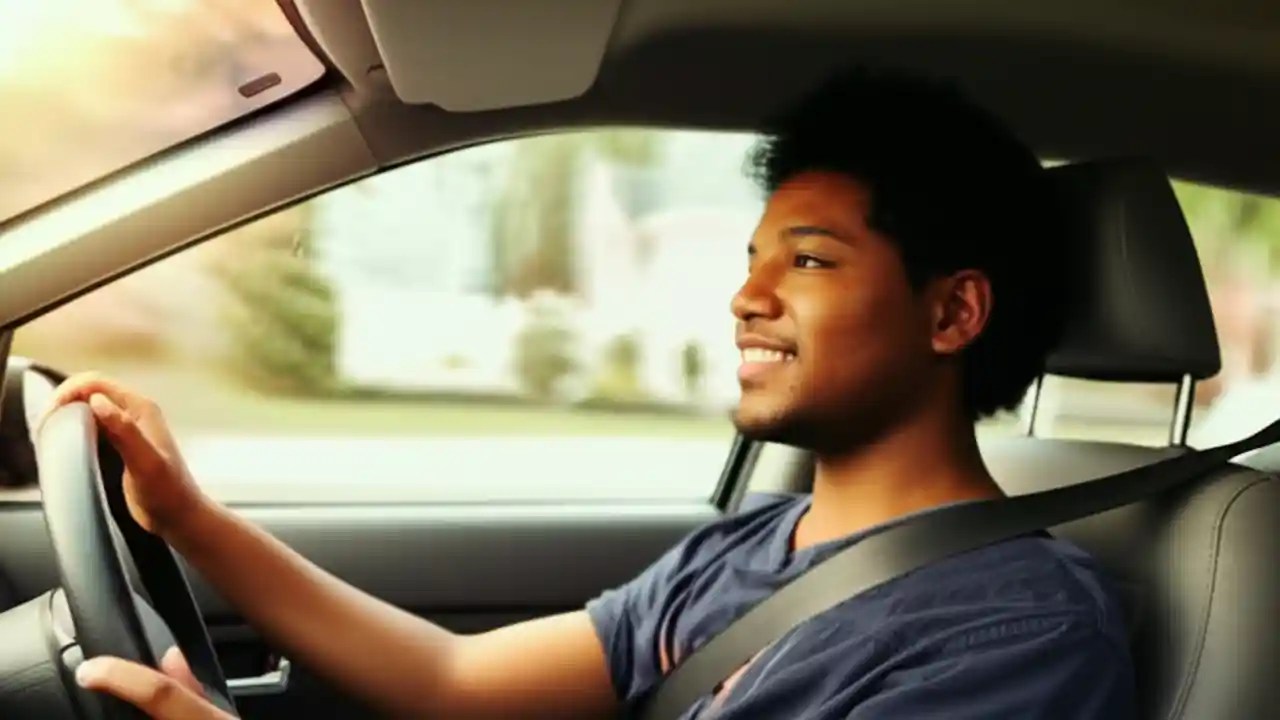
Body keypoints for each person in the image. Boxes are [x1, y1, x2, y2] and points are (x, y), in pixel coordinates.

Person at [47, 67, 1134, 719]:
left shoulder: (1015, 630)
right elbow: (455, 685)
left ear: (950, 315)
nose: (744, 297)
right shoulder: (748, 547)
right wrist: (191, 521)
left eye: (805, 262)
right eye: (752, 257)